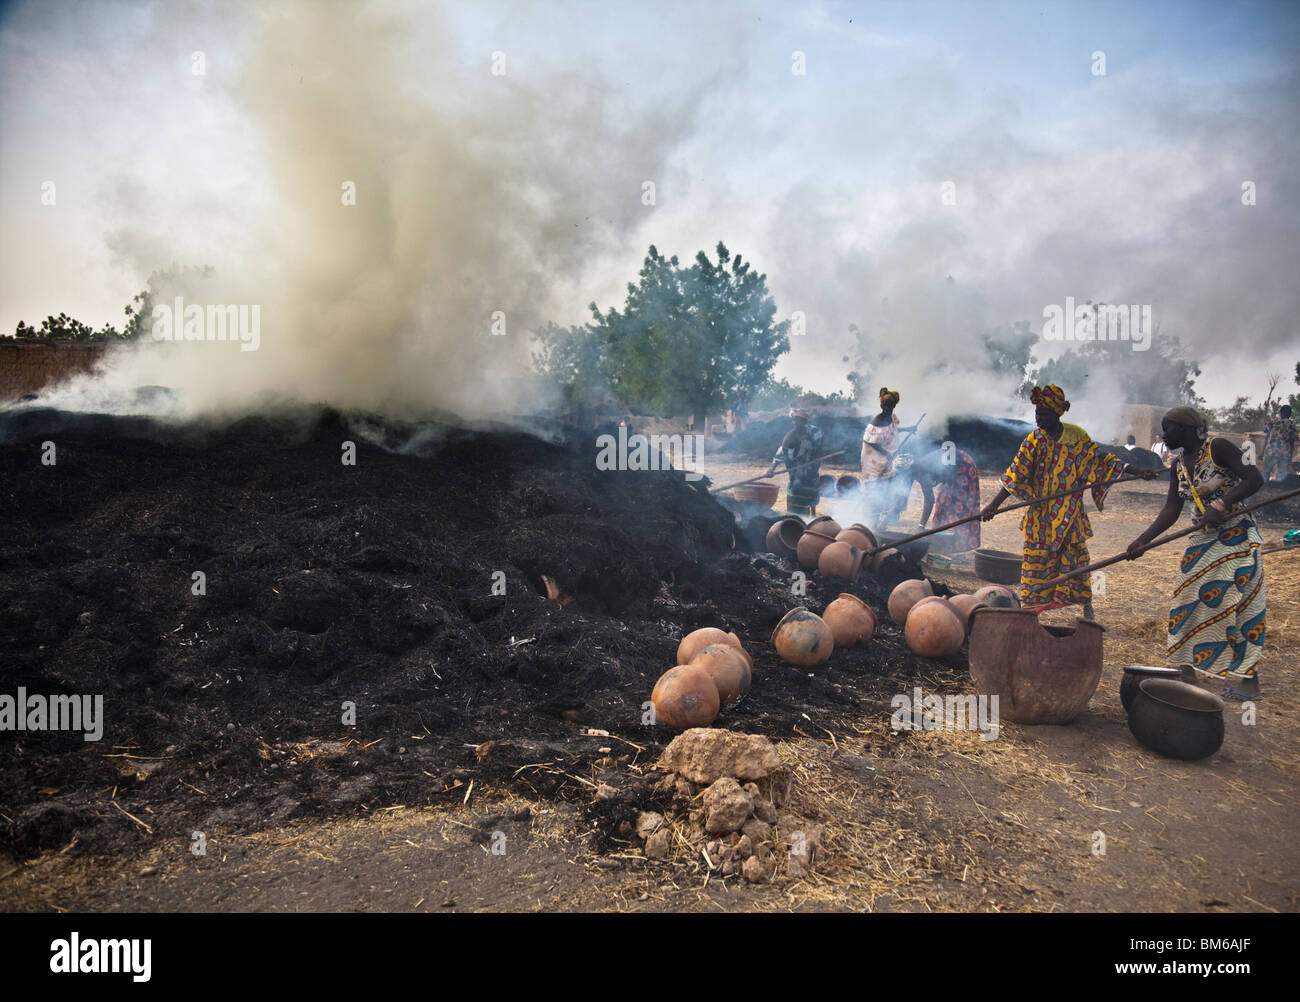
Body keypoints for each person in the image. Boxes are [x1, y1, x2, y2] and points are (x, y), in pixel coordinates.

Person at [980, 384, 1159, 618]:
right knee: (1035, 563)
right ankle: (1030, 611)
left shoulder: (1077, 438)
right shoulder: (1034, 440)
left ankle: (1086, 607)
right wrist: (993, 505)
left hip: (1070, 515)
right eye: (1037, 413)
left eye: (1044, 414)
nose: (1038, 418)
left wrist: (1135, 470)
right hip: (1041, 516)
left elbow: (1102, 460)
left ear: (1057, 414)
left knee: (1076, 563)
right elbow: (1016, 473)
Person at [1126, 407, 1265, 699]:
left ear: (1186, 428)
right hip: (1203, 540)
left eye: (1169, 428)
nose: (1164, 435)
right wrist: (1142, 541)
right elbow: (1171, 509)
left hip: (1237, 536)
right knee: (1185, 598)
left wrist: (1221, 504)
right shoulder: (1178, 465)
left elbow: (1254, 479)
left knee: (1239, 603)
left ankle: (1248, 680)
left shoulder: (1218, 448)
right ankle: (1185, 669)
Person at [860, 387, 918, 528]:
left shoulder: (892, 418)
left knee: (885, 490)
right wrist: (887, 453)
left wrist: (908, 429)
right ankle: (872, 524)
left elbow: (894, 430)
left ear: (894, 406)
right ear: (881, 405)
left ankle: (881, 524)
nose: (888, 408)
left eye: (891, 406)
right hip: (872, 461)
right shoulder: (877, 421)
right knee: (875, 491)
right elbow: (869, 441)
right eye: (886, 405)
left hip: (887, 460)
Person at [911, 446, 982, 554]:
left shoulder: (921, 470)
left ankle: (960, 547)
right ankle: (943, 546)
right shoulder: (915, 470)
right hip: (951, 468)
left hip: (964, 466)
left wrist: (921, 526)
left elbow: (929, 500)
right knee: (943, 503)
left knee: (961, 505)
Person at [766, 407, 824, 518]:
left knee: (811, 487)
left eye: (800, 420)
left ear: (805, 421)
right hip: (794, 466)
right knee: (796, 487)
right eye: (795, 420)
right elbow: (780, 454)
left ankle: (813, 515)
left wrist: (815, 459)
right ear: (793, 421)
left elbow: (820, 447)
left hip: (811, 464)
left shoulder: (814, 432)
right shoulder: (789, 437)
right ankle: (795, 516)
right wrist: (771, 469)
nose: (797, 423)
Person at [1261, 404, 1296, 481]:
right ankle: (1278, 492)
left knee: (1265, 474)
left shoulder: (1272, 422)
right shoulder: (1291, 424)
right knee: (1280, 477)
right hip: (1284, 453)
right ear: (1289, 413)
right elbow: (1292, 441)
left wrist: (1262, 452)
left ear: (1281, 413)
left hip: (1270, 451)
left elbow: (1266, 437)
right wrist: (1290, 457)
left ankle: (1261, 491)